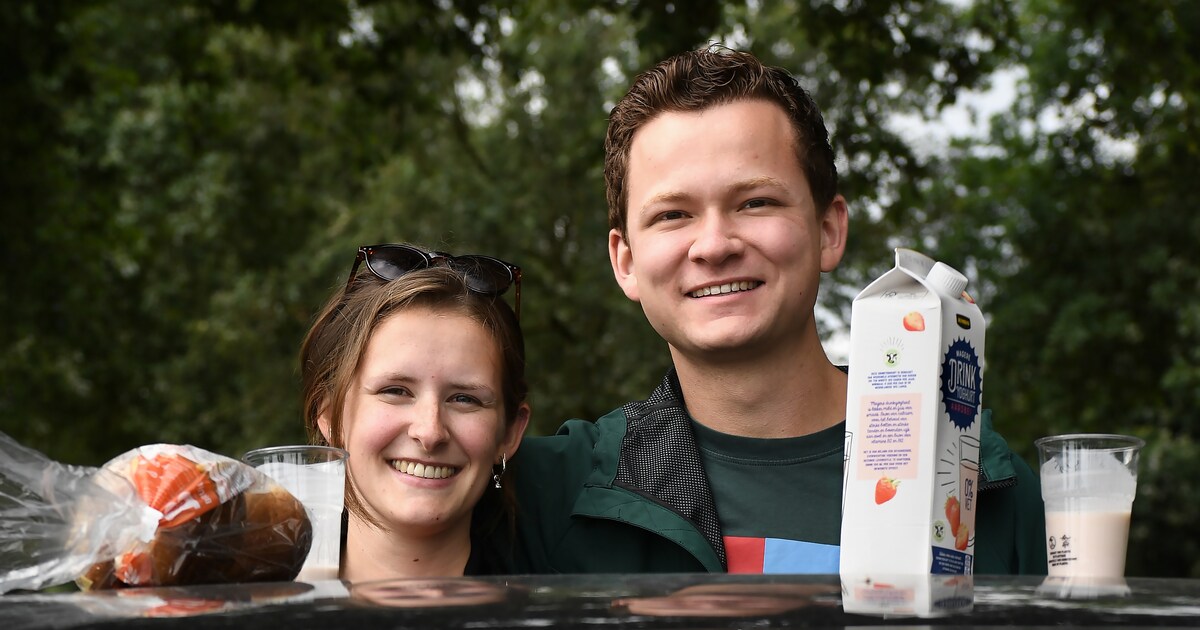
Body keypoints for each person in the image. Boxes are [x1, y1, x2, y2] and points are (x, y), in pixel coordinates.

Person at [504, 47, 1046, 574]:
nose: (714, 245)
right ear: (625, 262)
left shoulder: (976, 480)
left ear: (828, 230)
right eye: (673, 214)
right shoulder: (544, 497)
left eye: (755, 203)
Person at [300, 243, 530, 580]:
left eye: (464, 399)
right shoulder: (248, 598)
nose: (430, 431)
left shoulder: (560, 604)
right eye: (395, 391)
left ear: (509, 432)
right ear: (328, 415)